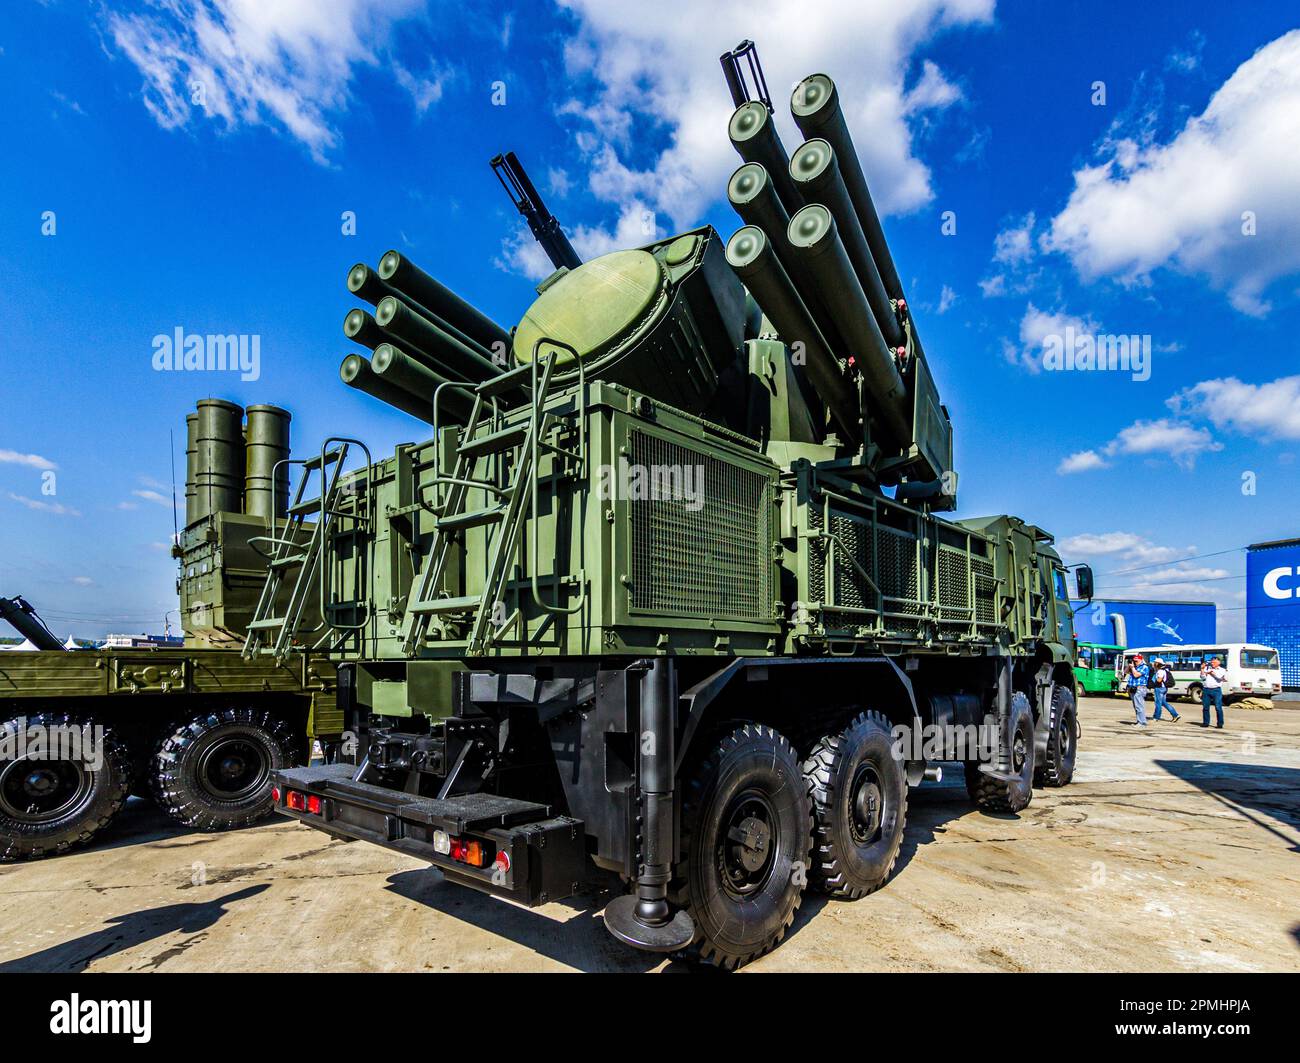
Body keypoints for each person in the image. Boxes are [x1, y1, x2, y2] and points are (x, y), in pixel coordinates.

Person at [1200, 656, 1227, 728]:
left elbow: (1219, 677)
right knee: (1205, 707)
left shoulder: (1222, 670)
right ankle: (1206, 723)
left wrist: (1212, 673)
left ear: (1219, 662)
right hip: (1206, 689)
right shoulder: (1207, 668)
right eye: (1212, 662)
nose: (1212, 663)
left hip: (1216, 690)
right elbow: (1202, 678)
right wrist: (1202, 669)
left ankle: (1220, 724)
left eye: (1214, 662)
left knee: (1218, 707)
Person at [1151, 657, 1181, 721]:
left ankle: (1156, 717)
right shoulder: (1164, 670)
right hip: (1164, 688)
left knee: (1158, 703)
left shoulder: (1160, 671)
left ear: (1158, 664)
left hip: (1159, 688)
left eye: (1155, 663)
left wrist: (1154, 681)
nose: (1154, 663)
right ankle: (1175, 715)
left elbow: (1159, 680)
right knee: (1163, 703)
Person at [1125, 653, 1150, 728]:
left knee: (1139, 706)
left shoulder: (1144, 667)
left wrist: (1132, 668)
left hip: (1140, 688)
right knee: (1136, 706)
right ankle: (1139, 721)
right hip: (1132, 688)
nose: (1135, 662)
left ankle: (1142, 723)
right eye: (1134, 661)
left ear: (1141, 660)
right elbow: (1125, 672)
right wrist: (1129, 666)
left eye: (1137, 661)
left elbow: (1136, 675)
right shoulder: (1134, 667)